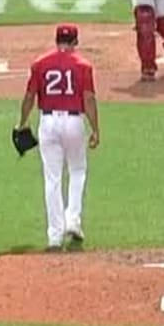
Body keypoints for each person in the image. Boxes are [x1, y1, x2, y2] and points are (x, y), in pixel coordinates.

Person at [17, 23, 100, 251]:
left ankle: (54, 236)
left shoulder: (40, 64)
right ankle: (73, 220)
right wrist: (95, 129)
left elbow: (29, 96)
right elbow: (89, 99)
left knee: (52, 178)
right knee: (77, 170)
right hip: (74, 121)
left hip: (48, 122)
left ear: (56, 40)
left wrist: (22, 123)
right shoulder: (83, 65)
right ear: (75, 42)